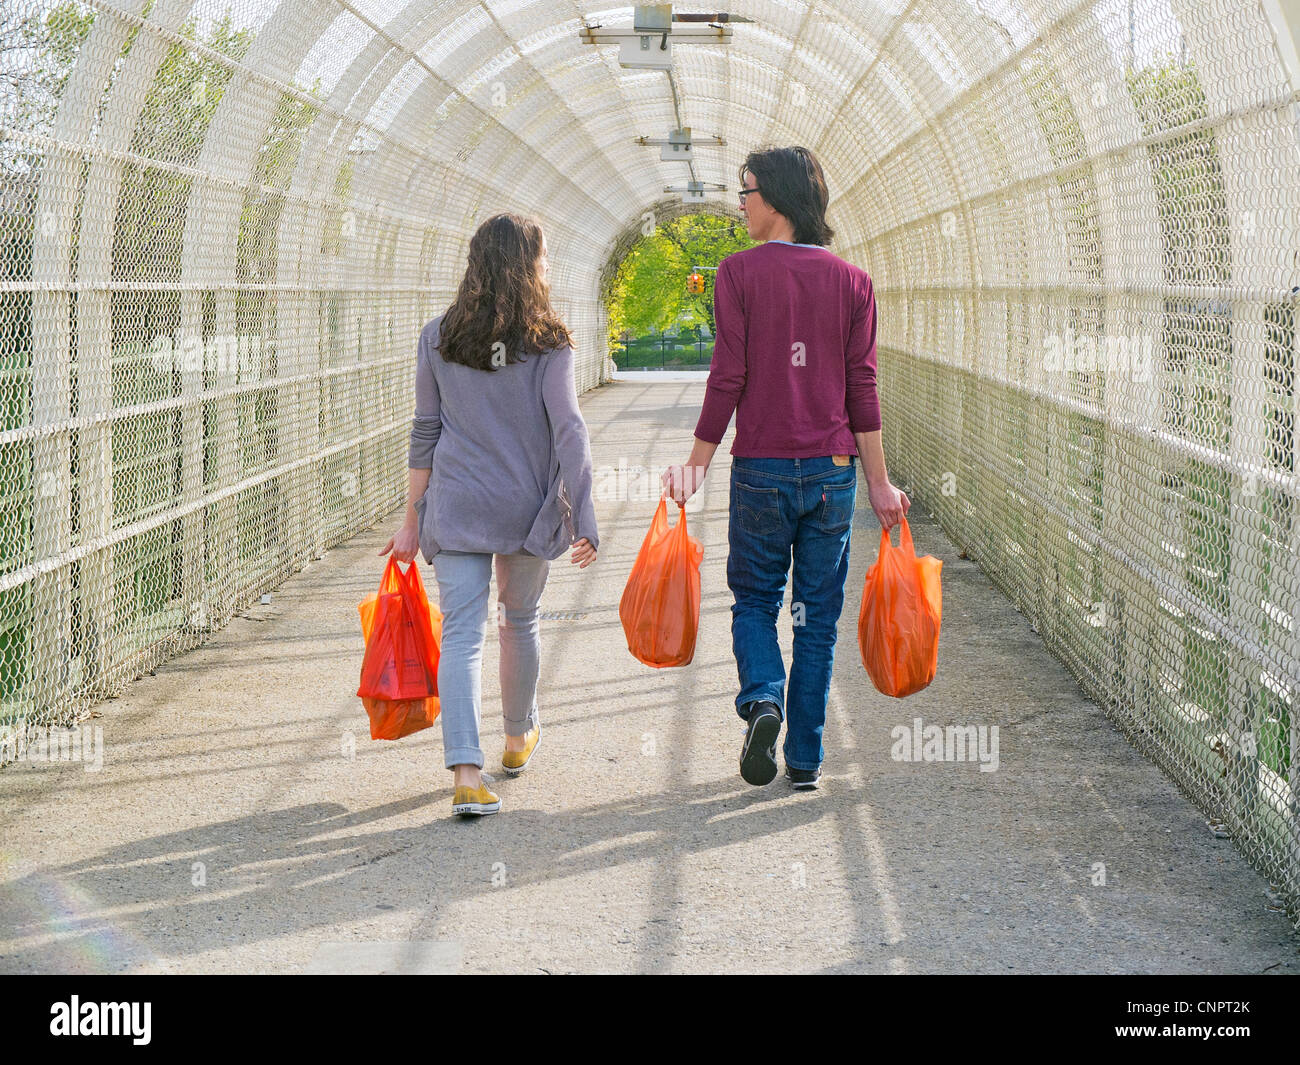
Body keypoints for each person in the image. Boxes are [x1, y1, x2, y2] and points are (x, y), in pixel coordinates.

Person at [663, 146, 909, 791]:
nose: (739, 202)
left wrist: (696, 464)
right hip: (832, 471)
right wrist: (878, 482)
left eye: (745, 190)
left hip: (761, 468)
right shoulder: (854, 282)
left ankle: (762, 701)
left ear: (774, 198)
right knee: (817, 617)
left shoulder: (738, 274)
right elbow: (863, 386)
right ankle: (805, 760)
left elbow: (728, 378)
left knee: (754, 600)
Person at [382, 213, 599, 818]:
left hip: (454, 506)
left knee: (461, 635)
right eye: (545, 257)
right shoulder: (549, 342)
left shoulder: (439, 337)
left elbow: (425, 430)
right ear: (529, 266)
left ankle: (467, 774)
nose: (549, 267)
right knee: (520, 621)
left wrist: (410, 519)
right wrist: (584, 515)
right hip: (525, 510)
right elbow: (570, 432)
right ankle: (517, 735)